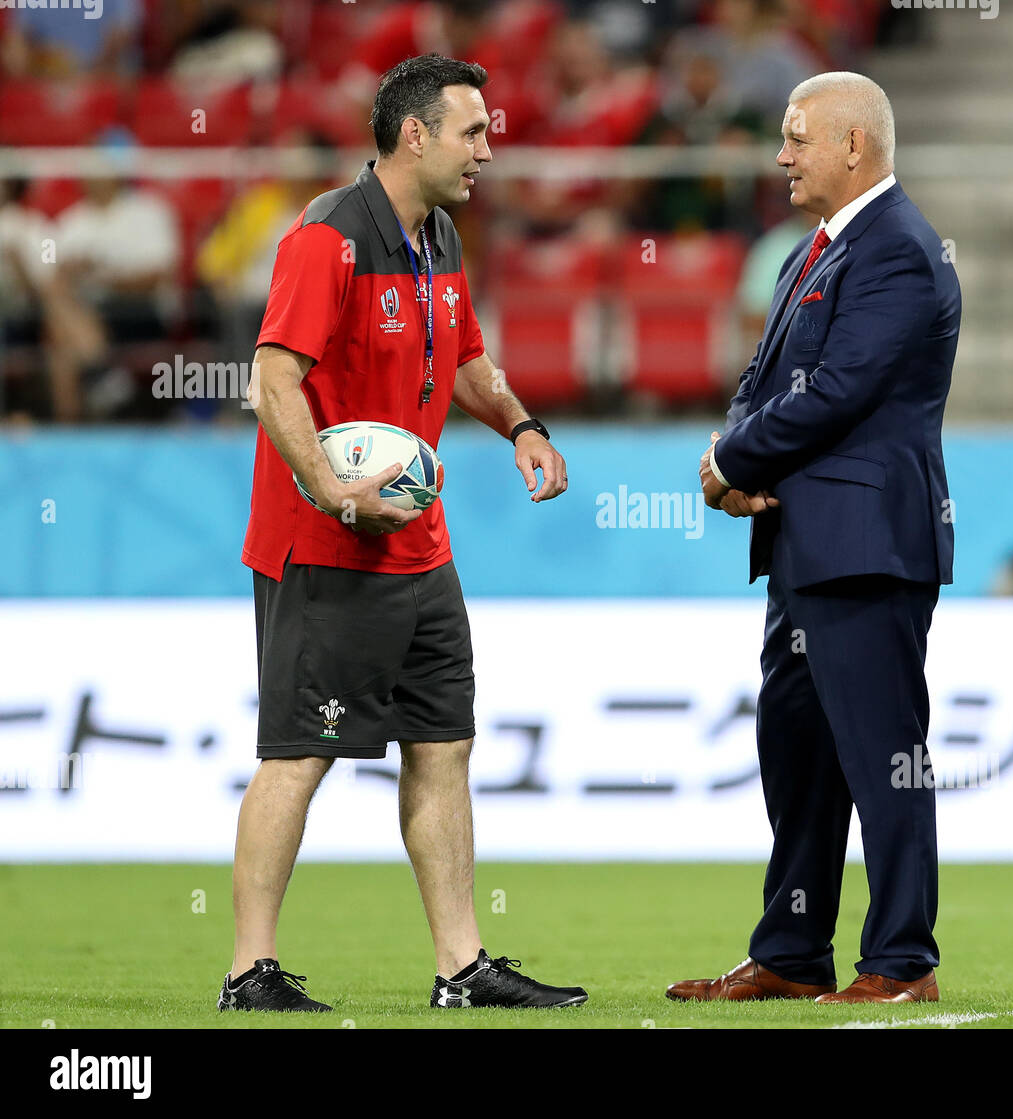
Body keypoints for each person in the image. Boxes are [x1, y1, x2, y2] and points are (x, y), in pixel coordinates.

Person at [223, 54, 586, 1013]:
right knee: (298, 754)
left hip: (420, 549)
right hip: (325, 546)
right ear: (414, 134)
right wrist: (334, 493)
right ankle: (246, 971)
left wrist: (521, 424)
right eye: (474, 131)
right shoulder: (328, 237)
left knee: (443, 745)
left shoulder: (442, 239)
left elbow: (466, 355)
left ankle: (461, 969)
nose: (488, 149)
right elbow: (272, 381)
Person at [675, 71, 960, 1005]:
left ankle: (902, 959)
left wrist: (728, 462)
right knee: (796, 757)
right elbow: (763, 378)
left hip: (869, 541)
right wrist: (737, 455)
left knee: (885, 754)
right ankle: (792, 952)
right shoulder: (816, 250)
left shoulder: (901, 252)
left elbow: (838, 391)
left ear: (853, 146)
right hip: (806, 542)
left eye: (798, 138)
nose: (782, 155)